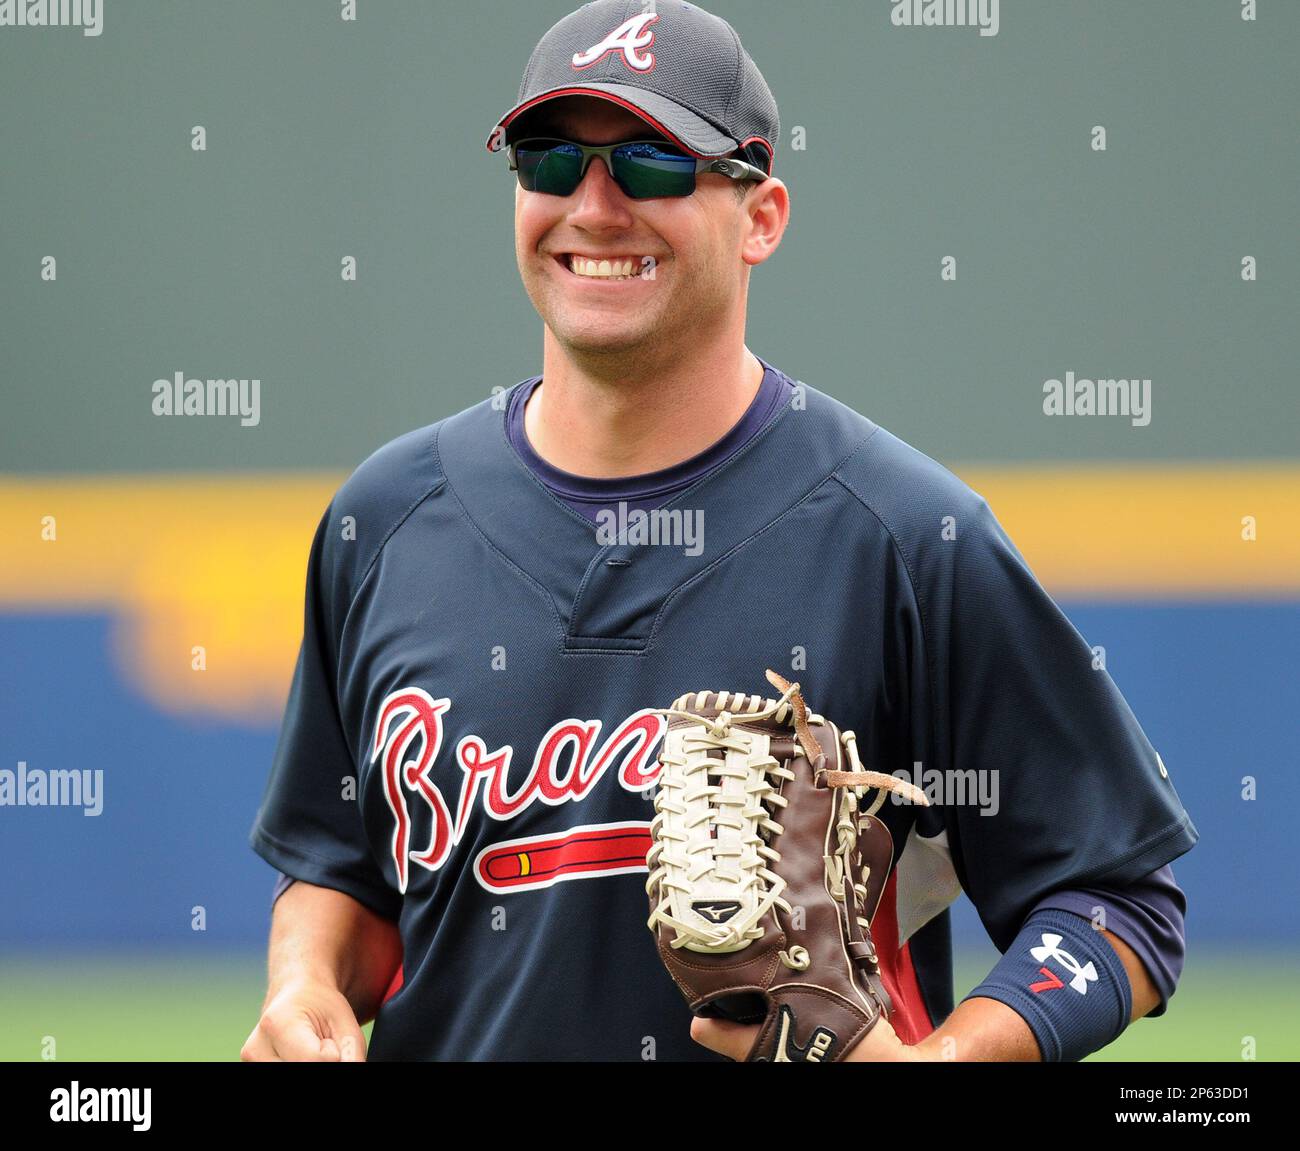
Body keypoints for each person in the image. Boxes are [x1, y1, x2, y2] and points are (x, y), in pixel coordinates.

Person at [244, 0, 1197, 1063]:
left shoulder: (905, 537)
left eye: (652, 164)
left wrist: (948, 1062)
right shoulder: (383, 522)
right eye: (549, 159)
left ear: (762, 216)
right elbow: (342, 869)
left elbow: (1115, 899)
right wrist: (306, 981)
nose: (594, 205)